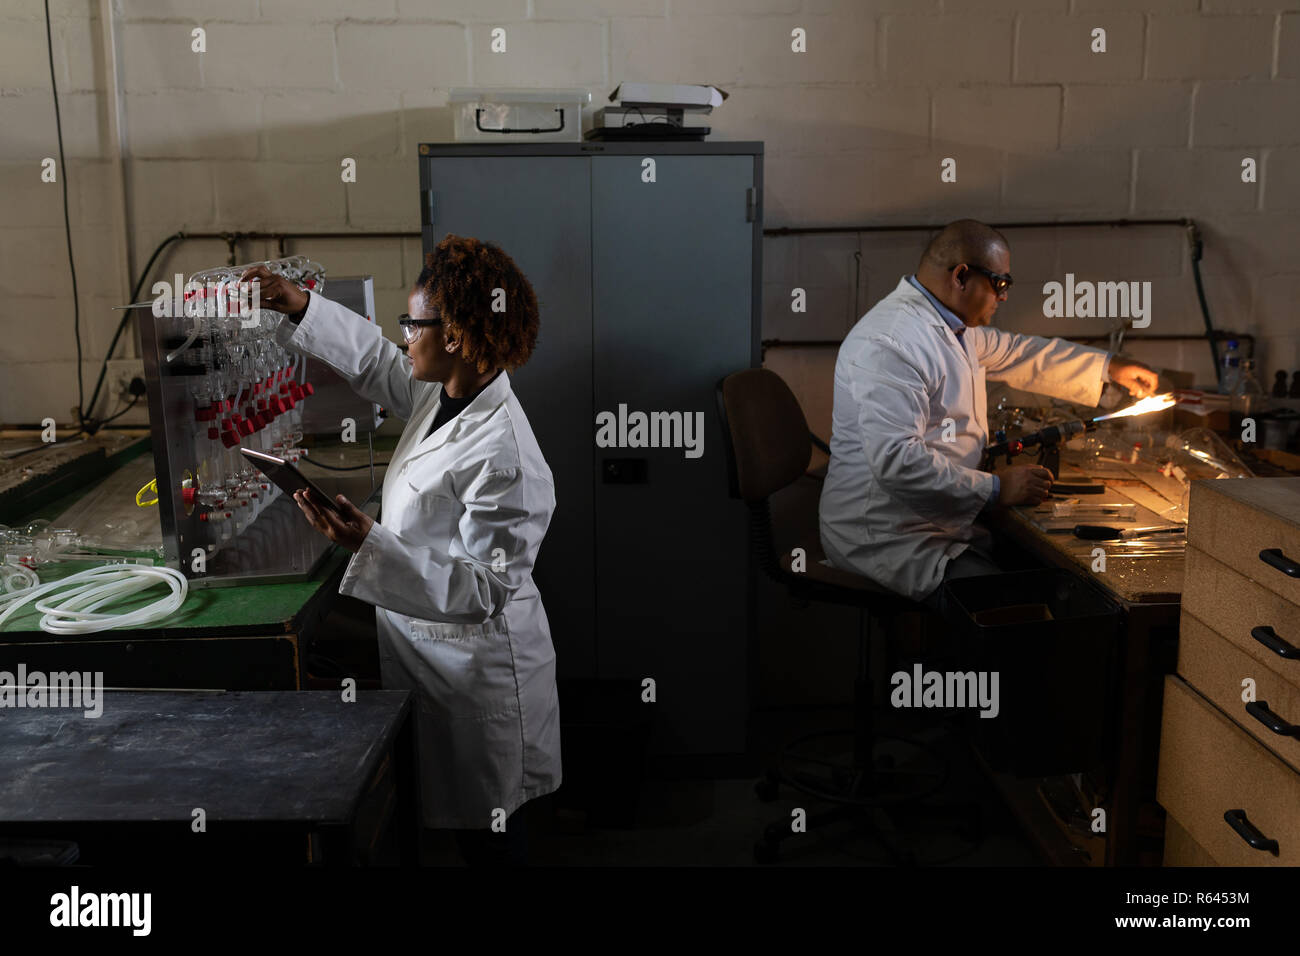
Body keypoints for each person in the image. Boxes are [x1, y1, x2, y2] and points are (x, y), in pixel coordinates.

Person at [240, 234, 561, 866]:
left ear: (457, 334)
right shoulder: (443, 396)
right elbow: (377, 362)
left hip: (477, 672)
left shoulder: (506, 456)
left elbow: (484, 591)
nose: (404, 334)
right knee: (449, 819)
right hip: (426, 649)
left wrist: (371, 544)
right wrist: (300, 304)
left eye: (413, 323)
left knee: (491, 832)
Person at [819, 219, 1159, 610]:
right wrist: (996, 489)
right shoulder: (892, 342)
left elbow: (1019, 353)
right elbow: (897, 461)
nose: (1004, 297)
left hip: (930, 516)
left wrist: (1109, 367)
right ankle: (957, 672)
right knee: (1005, 609)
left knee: (1051, 578)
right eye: (1000, 284)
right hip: (886, 532)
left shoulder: (950, 327)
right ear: (963, 276)